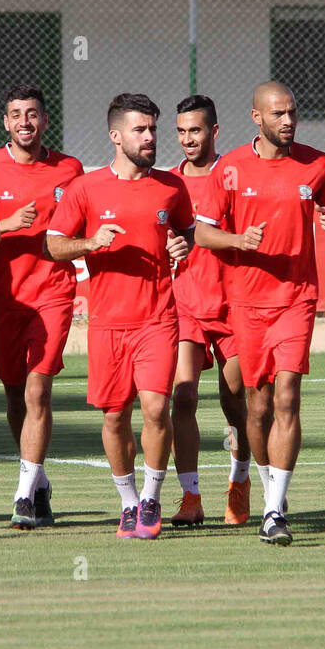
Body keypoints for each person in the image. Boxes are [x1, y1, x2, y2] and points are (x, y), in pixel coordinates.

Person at [193, 82, 325, 546]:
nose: (288, 121)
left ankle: (275, 508)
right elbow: (203, 233)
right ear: (256, 117)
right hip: (247, 302)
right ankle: (265, 489)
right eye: (278, 113)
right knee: (255, 407)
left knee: (287, 397)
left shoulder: (318, 163)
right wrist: (239, 241)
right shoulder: (232, 168)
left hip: (297, 297)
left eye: (293, 112)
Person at [46, 93, 194, 540]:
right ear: (115, 136)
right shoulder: (86, 189)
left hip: (158, 319)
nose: (150, 137)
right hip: (108, 323)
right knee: (114, 417)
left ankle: (151, 497)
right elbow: (54, 244)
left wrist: (181, 246)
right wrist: (90, 244)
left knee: (155, 407)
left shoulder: (172, 186)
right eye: (139, 129)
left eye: (152, 129)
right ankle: (127, 501)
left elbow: (186, 232)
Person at [0, 85, 84, 529]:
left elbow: (85, 221)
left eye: (32, 113)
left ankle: (21, 496)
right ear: (5, 122)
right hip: (5, 296)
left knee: (39, 390)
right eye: (16, 114)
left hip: (53, 292)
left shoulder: (69, 169)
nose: (24, 122)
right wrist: (3, 227)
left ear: (45, 120)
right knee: (15, 394)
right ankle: (38, 482)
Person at [167, 94, 252, 527]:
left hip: (233, 307)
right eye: (181, 131)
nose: (187, 139)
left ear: (214, 131)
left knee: (235, 402)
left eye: (195, 130)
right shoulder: (167, 183)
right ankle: (191, 497)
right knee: (182, 398)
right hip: (185, 307)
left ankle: (239, 482)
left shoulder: (236, 176)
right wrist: (168, 247)